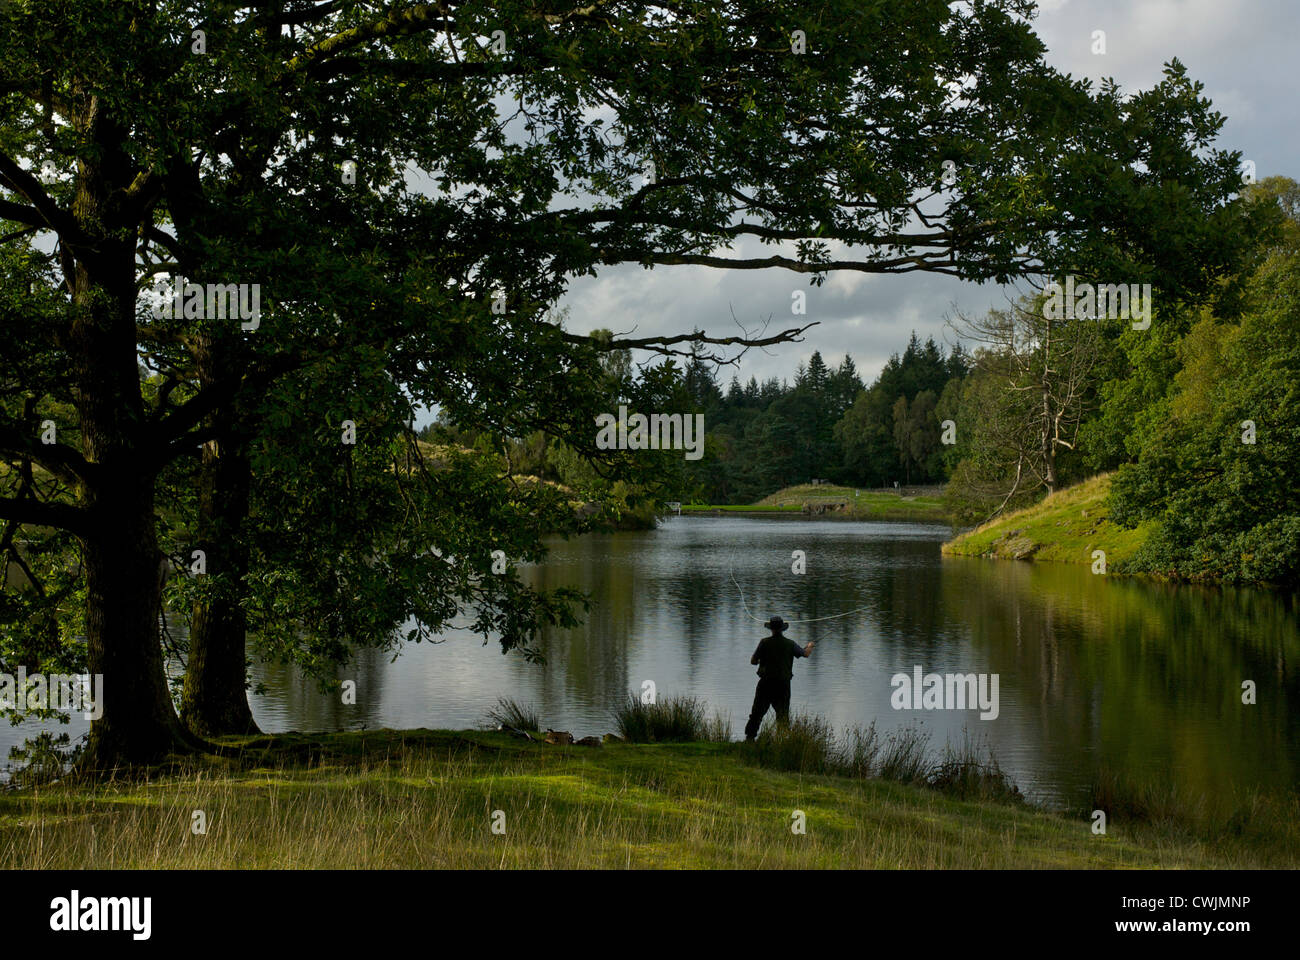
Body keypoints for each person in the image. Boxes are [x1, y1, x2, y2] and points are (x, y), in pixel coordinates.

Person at [744, 616, 814, 740]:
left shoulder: (764, 642)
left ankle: (750, 738)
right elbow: (806, 654)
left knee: (756, 714)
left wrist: (762, 660)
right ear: (782, 629)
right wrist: (810, 645)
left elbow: (753, 661)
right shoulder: (790, 643)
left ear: (771, 629)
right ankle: (781, 741)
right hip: (783, 685)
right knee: (782, 715)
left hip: (765, 684)